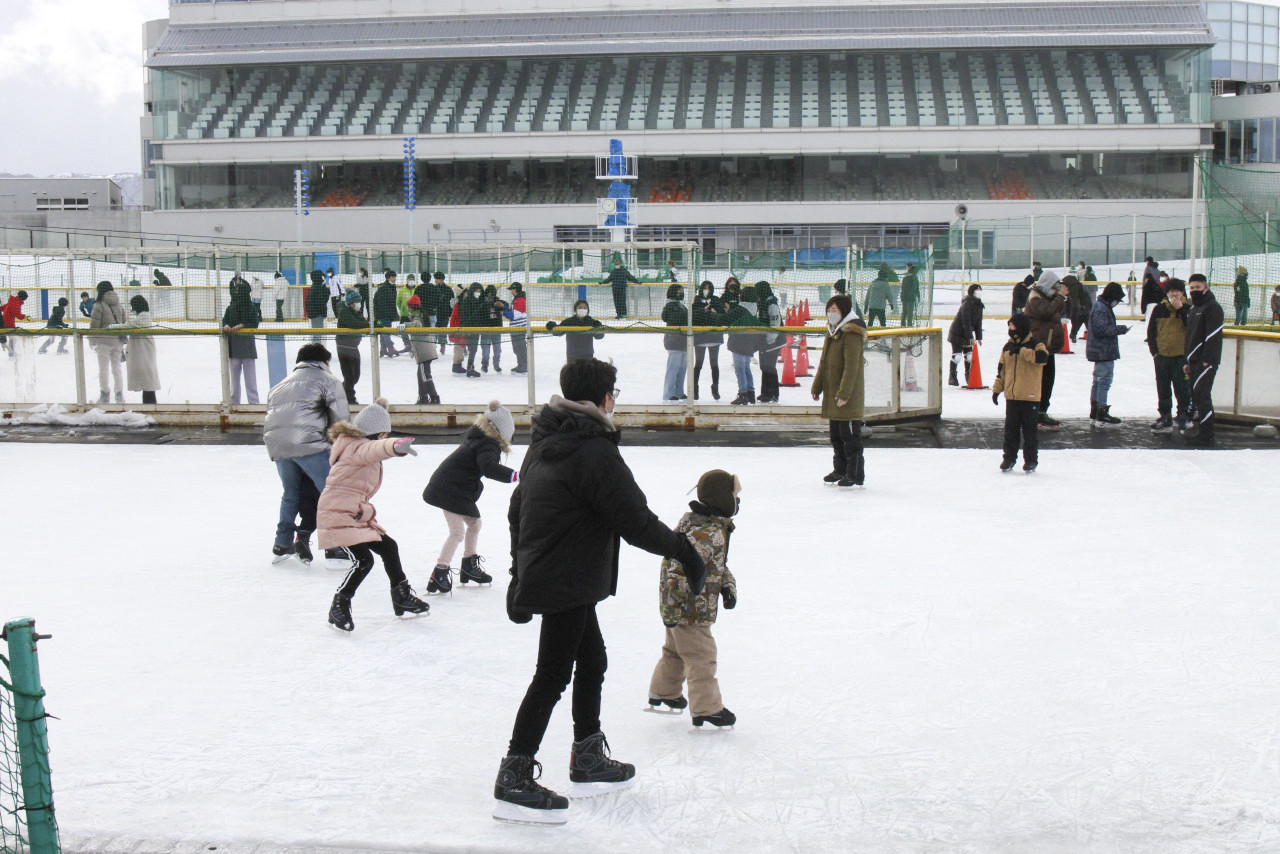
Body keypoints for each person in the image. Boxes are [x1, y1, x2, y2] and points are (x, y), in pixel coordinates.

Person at [494, 358, 706, 825]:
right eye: (615, 392)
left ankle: (586, 755)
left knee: (593, 661)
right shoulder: (591, 449)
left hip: (559, 571)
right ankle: (513, 775)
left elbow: (517, 508)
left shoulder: (548, 437)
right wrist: (686, 552)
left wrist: (519, 572)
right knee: (552, 674)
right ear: (603, 398)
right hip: (566, 575)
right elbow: (635, 521)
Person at [319, 399, 428, 632]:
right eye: (383, 433)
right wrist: (395, 445)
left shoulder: (353, 446)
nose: (383, 438)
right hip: (338, 514)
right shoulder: (358, 447)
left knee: (389, 547)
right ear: (375, 432)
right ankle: (339, 604)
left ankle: (401, 597)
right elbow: (375, 448)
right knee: (363, 561)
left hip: (354, 512)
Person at [647, 468, 739, 728]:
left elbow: (715, 566)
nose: (738, 501)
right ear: (722, 499)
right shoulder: (705, 532)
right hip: (690, 609)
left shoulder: (705, 525)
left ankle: (663, 691)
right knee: (702, 656)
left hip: (684, 607)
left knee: (675, 651)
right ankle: (707, 708)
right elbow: (677, 567)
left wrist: (727, 586)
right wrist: (679, 605)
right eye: (734, 495)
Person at [263, 342, 349, 565]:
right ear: (324, 361)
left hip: (279, 447)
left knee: (290, 494)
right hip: (310, 445)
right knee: (330, 493)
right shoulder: (328, 381)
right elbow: (340, 420)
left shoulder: (279, 386)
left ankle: (282, 543)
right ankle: (333, 545)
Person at [422, 400, 516, 594]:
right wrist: (516, 475)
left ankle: (468, 567)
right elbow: (488, 468)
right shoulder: (488, 443)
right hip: (449, 490)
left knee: (474, 524)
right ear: (503, 431)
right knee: (457, 532)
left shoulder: (479, 438)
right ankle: (439, 573)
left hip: (453, 488)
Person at [812, 294, 868, 487]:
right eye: (829, 310)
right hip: (833, 394)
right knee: (836, 436)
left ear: (843, 311)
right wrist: (817, 386)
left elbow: (852, 366)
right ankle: (840, 469)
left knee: (850, 437)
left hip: (846, 397)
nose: (830, 314)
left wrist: (844, 394)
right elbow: (824, 362)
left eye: (834, 310)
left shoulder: (851, 333)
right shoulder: (833, 332)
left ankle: (854, 473)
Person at [991, 314, 1050, 473]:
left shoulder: (1036, 344)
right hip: (1012, 397)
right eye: (1009, 327)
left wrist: (1024, 352)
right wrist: (997, 389)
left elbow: (1043, 358)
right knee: (1010, 431)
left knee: (1030, 431)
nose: (1010, 330)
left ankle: (1031, 460)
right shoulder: (1007, 347)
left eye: (1013, 326)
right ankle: (1009, 458)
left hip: (1030, 397)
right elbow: (1002, 371)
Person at [1181, 273, 1224, 447]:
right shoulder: (1193, 309)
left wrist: (1207, 359)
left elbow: (1213, 336)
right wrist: (1187, 360)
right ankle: (1202, 431)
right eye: (1192, 288)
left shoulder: (1212, 307)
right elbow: (1189, 336)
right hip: (1193, 361)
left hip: (1205, 362)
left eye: (1198, 287)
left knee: (1203, 396)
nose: (1194, 291)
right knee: (1197, 397)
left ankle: (1207, 435)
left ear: (1205, 287)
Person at [1023, 270, 1068, 427]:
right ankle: (1035, 412)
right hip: (1039, 347)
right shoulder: (1035, 298)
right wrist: (1060, 297)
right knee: (1039, 381)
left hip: (1048, 347)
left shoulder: (1047, 298)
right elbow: (1046, 312)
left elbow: (1055, 311)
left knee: (1048, 381)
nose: (1057, 290)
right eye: (1055, 286)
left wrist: (1059, 300)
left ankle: (1041, 411)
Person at [1146, 277, 1191, 433]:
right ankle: (1165, 416)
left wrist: (1181, 309)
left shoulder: (1189, 308)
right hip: (1162, 356)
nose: (1175, 294)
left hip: (1181, 357)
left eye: (1178, 291)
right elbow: (1151, 332)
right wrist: (1155, 353)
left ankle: (1183, 415)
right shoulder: (1159, 309)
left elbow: (1192, 328)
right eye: (1172, 291)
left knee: (1183, 388)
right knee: (1163, 388)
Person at [1086, 282, 1131, 426]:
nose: (1117, 303)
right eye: (1117, 299)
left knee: (1098, 381)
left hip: (1101, 350)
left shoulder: (1101, 306)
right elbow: (1101, 329)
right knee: (1103, 381)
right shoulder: (1101, 308)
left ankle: (1096, 410)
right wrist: (1120, 329)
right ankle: (1101, 411)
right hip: (1103, 351)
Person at [113, 295, 160, 404]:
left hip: (144, 352)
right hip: (143, 351)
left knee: (148, 382)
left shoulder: (143, 317)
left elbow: (128, 326)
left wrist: (111, 327)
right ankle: (149, 406)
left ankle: (150, 407)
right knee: (147, 382)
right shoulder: (143, 316)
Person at [222, 278, 261, 405]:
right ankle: (234, 404)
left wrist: (243, 325)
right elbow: (225, 320)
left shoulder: (251, 308)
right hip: (233, 348)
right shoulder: (230, 308)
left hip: (247, 348)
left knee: (250, 380)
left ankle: (254, 404)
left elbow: (255, 323)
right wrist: (226, 325)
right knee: (234, 381)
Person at [725, 286, 764, 405]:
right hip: (750, 342)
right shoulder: (755, 309)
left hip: (738, 342)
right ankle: (750, 393)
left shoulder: (740, 309)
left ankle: (743, 394)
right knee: (746, 367)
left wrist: (723, 313)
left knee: (740, 369)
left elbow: (726, 320)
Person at [89, 281, 126, 403]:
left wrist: (91, 339)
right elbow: (124, 324)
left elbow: (94, 325)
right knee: (117, 367)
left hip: (103, 341)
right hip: (117, 341)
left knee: (103, 368)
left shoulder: (98, 305)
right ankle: (119, 394)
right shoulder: (119, 305)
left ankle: (105, 393)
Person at [404, 296, 440, 404]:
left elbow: (417, 325)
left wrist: (405, 325)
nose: (407, 308)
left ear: (412, 307)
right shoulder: (419, 315)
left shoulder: (418, 316)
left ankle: (434, 397)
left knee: (424, 375)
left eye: (408, 306)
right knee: (420, 375)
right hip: (423, 351)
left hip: (425, 351)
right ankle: (423, 397)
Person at [947, 284, 984, 386]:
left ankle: (969, 376)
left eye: (980, 289)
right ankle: (952, 376)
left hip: (967, 333)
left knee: (969, 356)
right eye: (977, 289)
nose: (979, 291)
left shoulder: (979, 305)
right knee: (957, 356)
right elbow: (965, 322)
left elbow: (978, 323)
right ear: (972, 291)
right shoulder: (967, 304)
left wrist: (979, 337)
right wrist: (971, 337)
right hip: (957, 333)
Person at [692, 280, 723, 400]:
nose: (706, 290)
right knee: (698, 363)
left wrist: (715, 312)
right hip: (700, 336)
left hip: (714, 336)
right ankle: (695, 388)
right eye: (704, 288)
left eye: (709, 288)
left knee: (714, 363)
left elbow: (721, 315)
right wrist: (702, 311)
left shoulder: (716, 300)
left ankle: (715, 388)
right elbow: (693, 315)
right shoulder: (696, 301)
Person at [335, 289, 367, 405]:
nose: (359, 304)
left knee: (356, 376)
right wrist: (366, 324)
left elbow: (363, 322)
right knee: (349, 375)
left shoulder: (356, 312)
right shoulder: (344, 312)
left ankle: (340, 392)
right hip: (344, 347)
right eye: (357, 301)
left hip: (353, 347)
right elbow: (355, 324)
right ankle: (350, 399)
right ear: (351, 302)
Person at [755, 281, 784, 403]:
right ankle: (765, 392)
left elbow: (775, 324)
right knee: (764, 366)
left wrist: (769, 340)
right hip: (765, 341)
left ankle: (773, 393)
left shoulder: (771, 304)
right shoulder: (762, 303)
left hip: (774, 340)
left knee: (769, 367)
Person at [660, 284, 689, 401]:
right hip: (674, 340)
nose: (681, 293)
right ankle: (669, 393)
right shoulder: (670, 306)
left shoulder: (682, 306)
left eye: (682, 291)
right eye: (679, 291)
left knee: (682, 368)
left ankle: (679, 391)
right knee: (673, 368)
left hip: (684, 341)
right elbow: (668, 318)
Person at [503, 282, 529, 375]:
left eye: (511, 289)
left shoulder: (519, 300)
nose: (511, 291)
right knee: (517, 348)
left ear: (515, 289)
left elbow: (514, 316)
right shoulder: (517, 299)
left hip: (518, 328)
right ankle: (521, 365)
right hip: (516, 328)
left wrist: (504, 311)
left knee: (520, 348)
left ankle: (524, 366)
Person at [374, 270, 400, 358]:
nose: (395, 279)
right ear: (389, 278)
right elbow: (379, 302)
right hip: (383, 315)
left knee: (383, 330)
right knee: (385, 330)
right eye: (393, 277)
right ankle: (390, 347)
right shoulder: (384, 288)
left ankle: (383, 348)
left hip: (386, 314)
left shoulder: (391, 287)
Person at [481, 285, 506, 373]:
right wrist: (491, 304)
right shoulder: (482, 301)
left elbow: (506, 305)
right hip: (485, 329)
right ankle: (484, 365)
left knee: (497, 350)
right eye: (489, 294)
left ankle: (496, 365)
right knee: (485, 351)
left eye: (492, 294)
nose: (491, 297)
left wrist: (501, 305)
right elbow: (481, 307)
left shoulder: (498, 300)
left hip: (496, 328)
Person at [1, 290, 30, 358]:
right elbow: (16, 314)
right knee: (14, 339)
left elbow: (2, 308)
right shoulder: (16, 302)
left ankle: (11, 352)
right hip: (8, 324)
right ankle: (12, 354)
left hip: (4, 323)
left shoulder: (12, 301)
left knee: (12, 339)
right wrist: (25, 317)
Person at [1063, 274, 1090, 344]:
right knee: (1075, 322)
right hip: (1076, 305)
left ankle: (1061, 336)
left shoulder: (1064, 284)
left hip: (1066, 304)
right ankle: (1073, 335)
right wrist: (1083, 304)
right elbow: (1082, 295)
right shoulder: (1078, 285)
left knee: (1062, 321)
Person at [305, 270, 329, 339]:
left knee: (317, 335)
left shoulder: (316, 287)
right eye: (323, 277)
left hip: (314, 314)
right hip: (317, 315)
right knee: (317, 335)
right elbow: (322, 302)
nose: (324, 279)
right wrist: (323, 313)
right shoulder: (317, 289)